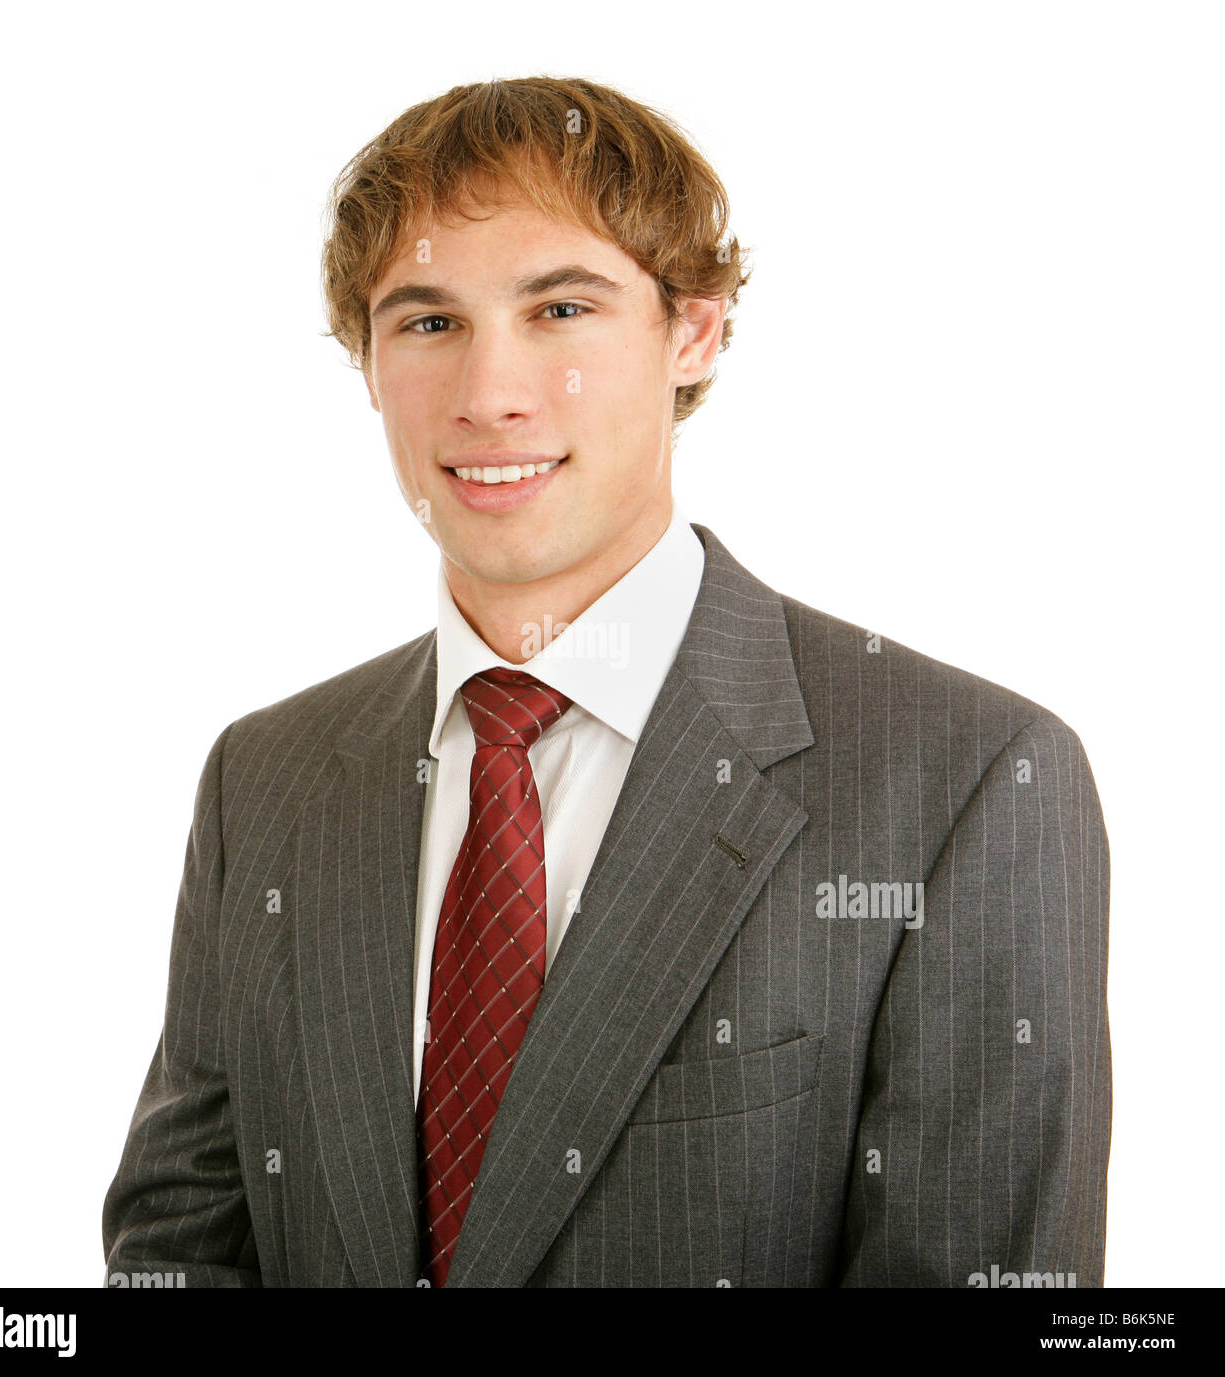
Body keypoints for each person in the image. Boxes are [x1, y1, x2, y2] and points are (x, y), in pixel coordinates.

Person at [103, 75, 1111, 1288]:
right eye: (427, 323)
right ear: (364, 362)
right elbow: (178, 1249)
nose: (489, 396)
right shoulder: (261, 780)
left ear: (693, 329)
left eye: (561, 309)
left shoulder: (964, 783)